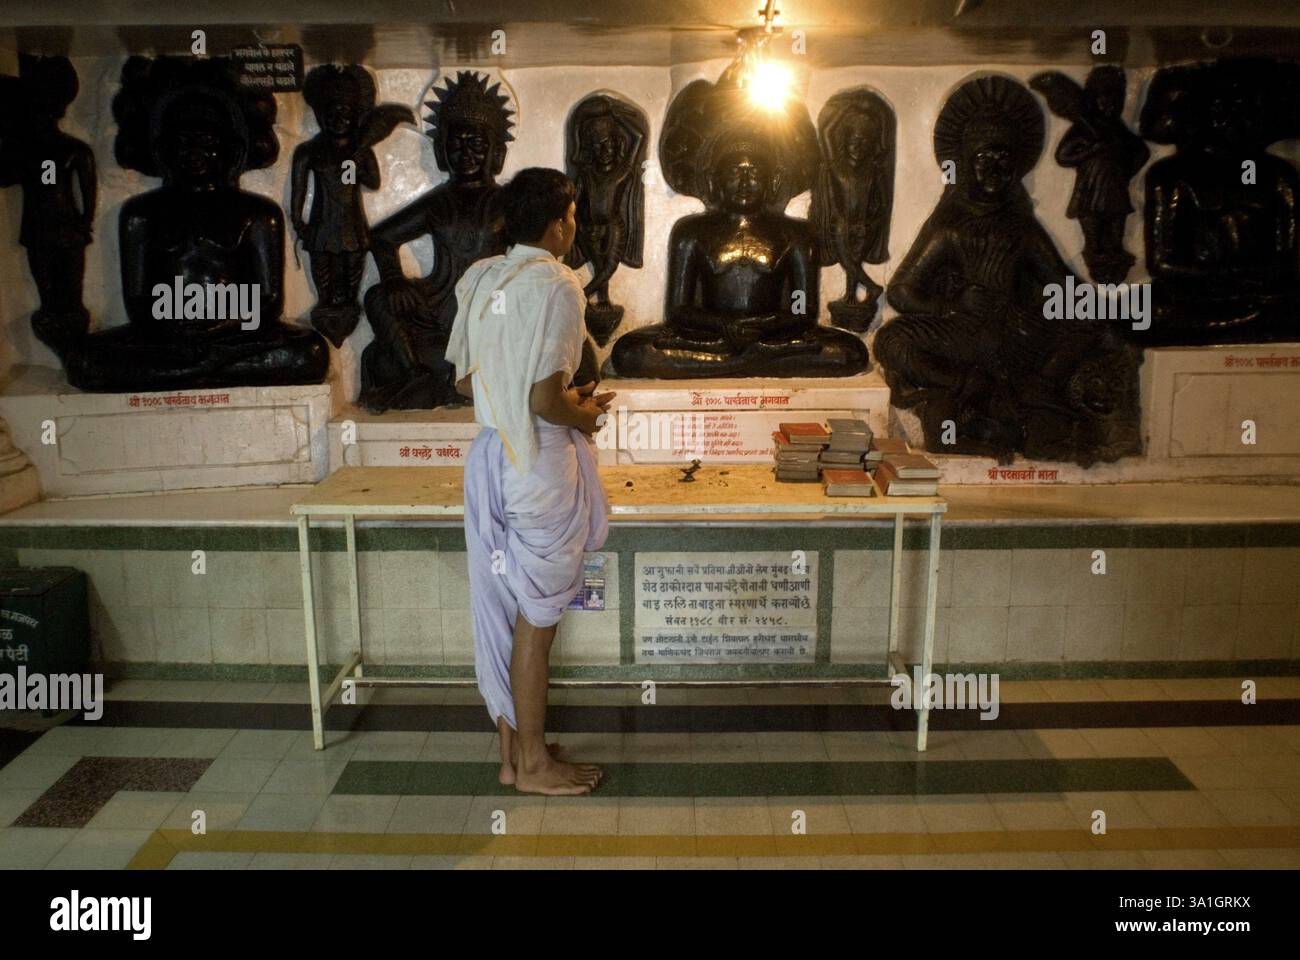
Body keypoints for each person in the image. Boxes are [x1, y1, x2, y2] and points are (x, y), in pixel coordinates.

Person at [446, 167, 614, 795]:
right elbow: (548, 401)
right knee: (534, 624)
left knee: (500, 608)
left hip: (490, 454)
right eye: (570, 216)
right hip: (537, 461)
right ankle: (536, 766)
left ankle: (514, 754)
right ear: (556, 223)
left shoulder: (481, 277)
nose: (574, 226)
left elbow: (465, 381)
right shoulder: (559, 284)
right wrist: (587, 414)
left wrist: (528, 390)